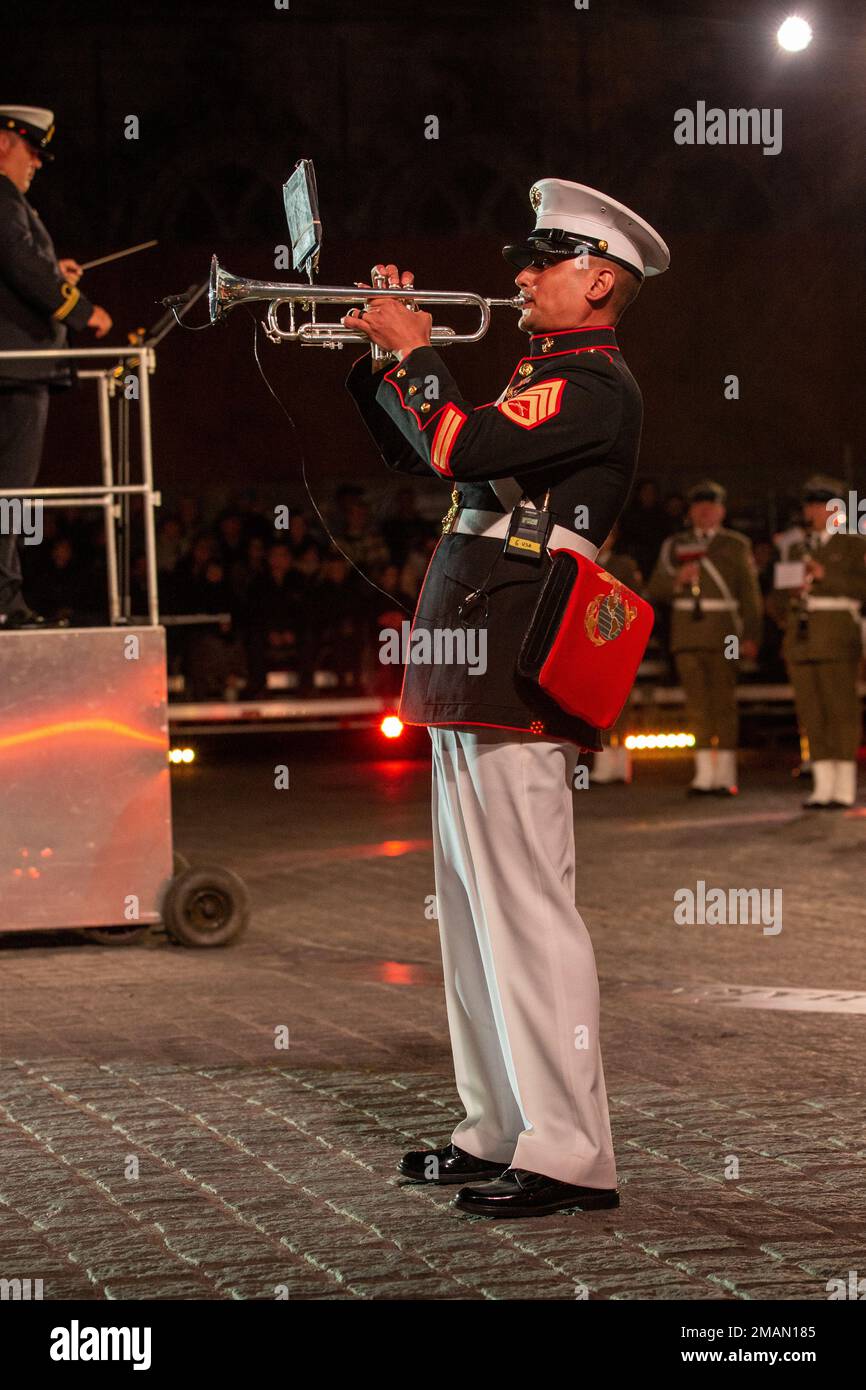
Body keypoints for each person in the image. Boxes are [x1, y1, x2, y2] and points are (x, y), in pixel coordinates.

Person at [344, 178, 669, 1218]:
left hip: (513, 669)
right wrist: (382, 352)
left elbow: (461, 447)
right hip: (467, 663)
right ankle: (495, 1125)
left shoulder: (594, 382)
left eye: (544, 261)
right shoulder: (543, 374)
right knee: (475, 921)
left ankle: (569, 1151)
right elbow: (419, 447)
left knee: (527, 916)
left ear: (600, 277)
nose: (520, 276)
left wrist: (415, 348)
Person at [0, 106, 112, 627]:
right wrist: (82, 310)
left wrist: (55, 272)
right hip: (16, 371)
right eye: (32, 152)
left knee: (11, 491)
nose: (38, 164)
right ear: (5, 142)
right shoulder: (2, 197)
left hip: (18, 369)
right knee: (11, 491)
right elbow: (19, 264)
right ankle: (4, 601)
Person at [646, 481, 761, 796]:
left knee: (724, 702)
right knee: (696, 706)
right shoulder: (674, 545)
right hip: (687, 633)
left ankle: (724, 775)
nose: (705, 511)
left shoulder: (735, 545)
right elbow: (655, 588)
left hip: (726, 634)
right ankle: (703, 774)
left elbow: (749, 596)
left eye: (711, 506)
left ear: (721, 511)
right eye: (699, 506)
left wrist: (751, 635)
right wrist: (677, 580)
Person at [773, 476, 866, 809]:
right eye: (809, 505)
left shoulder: (855, 544)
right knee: (811, 711)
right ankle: (823, 784)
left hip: (838, 634)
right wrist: (789, 594)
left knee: (841, 710)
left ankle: (843, 786)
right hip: (802, 636)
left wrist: (826, 575)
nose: (813, 511)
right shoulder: (798, 547)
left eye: (820, 505)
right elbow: (778, 597)